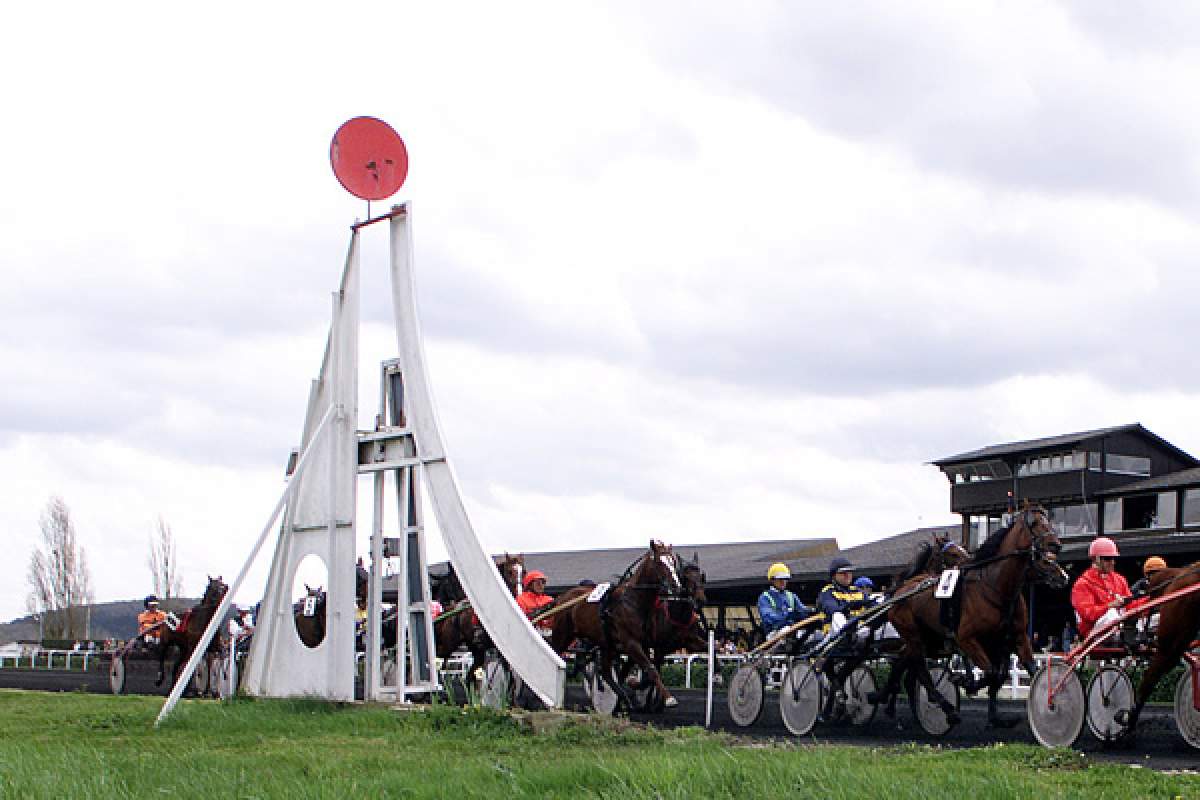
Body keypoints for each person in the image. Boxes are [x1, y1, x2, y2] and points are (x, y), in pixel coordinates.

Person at [1070, 536, 1131, 641]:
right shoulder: (1082, 584)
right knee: (1111, 614)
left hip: (1121, 626)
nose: (1112, 562)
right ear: (1096, 559)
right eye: (1108, 559)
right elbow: (1089, 614)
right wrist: (1111, 605)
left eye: (1113, 558)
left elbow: (1131, 605)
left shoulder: (1120, 580)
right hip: (1093, 632)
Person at [817, 557, 871, 645]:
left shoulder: (859, 591)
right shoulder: (827, 592)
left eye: (849, 572)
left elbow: (872, 606)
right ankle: (846, 640)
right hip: (833, 637)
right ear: (834, 575)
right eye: (843, 573)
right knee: (838, 615)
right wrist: (851, 605)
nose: (847, 575)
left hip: (861, 631)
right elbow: (832, 609)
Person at [757, 563, 813, 639]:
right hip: (775, 633)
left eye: (785, 579)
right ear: (772, 580)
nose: (783, 582)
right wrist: (787, 617)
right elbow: (768, 618)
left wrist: (811, 611)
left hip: (794, 629)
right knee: (786, 631)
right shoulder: (765, 597)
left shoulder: (791, 595)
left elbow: (802, 610)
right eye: (780, 579)